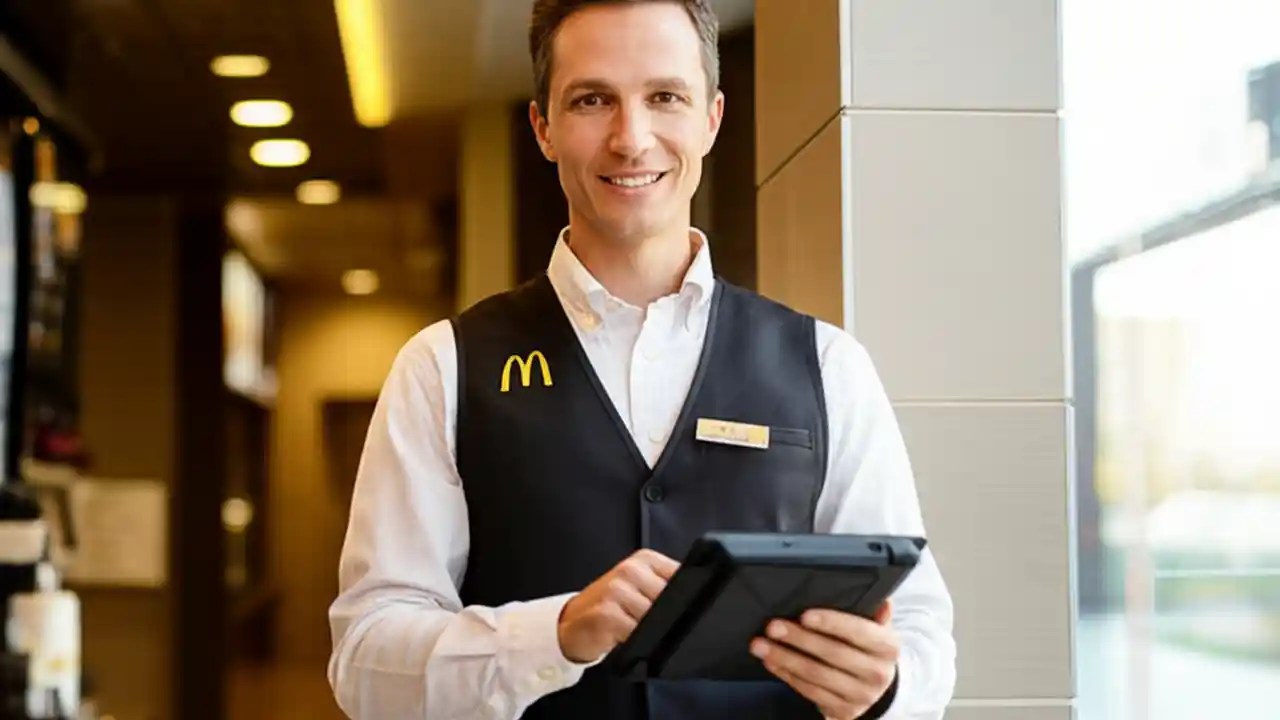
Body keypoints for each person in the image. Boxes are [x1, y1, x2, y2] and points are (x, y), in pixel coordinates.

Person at [328, 0, 956, 717]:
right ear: (543, 128)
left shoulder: (828, 366)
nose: (631, 139)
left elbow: (919, 634)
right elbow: (365, 662)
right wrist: (555, 634)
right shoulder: (443, 369)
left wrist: (886, 687)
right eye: (592, 100)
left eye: (665, 97)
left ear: (711, 119)